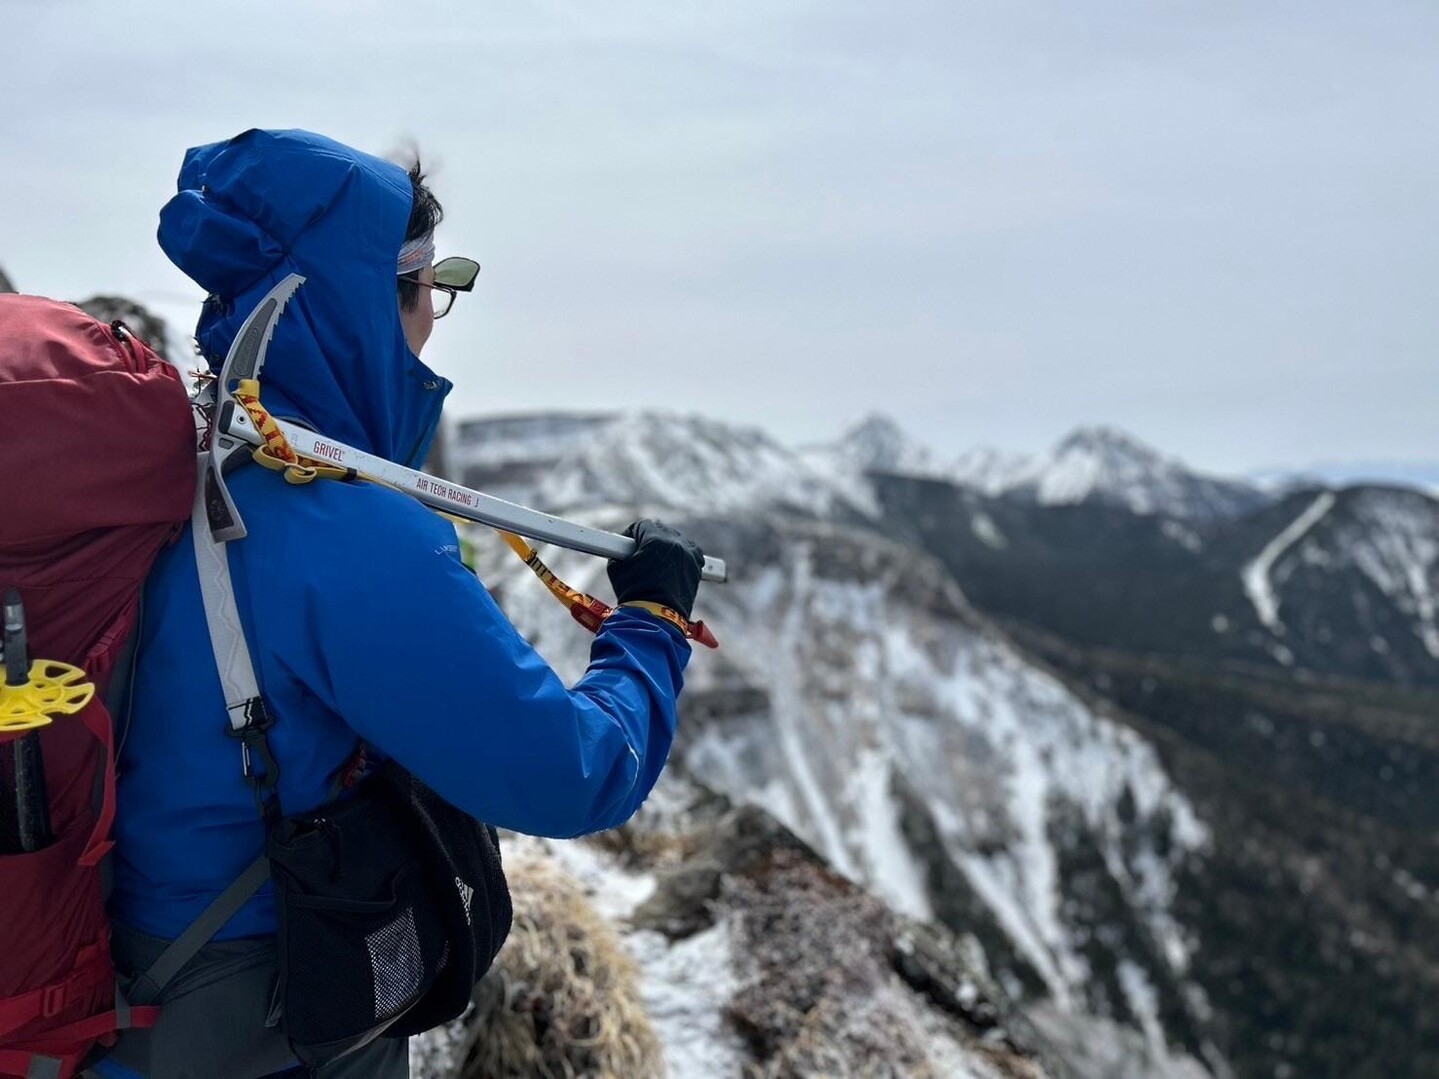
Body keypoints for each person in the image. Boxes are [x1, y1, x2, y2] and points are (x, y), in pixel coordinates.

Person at [92, 129, 704, 1078]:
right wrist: (651, 628)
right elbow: (570, 773)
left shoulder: (180, 450)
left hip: (117, 978)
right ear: (359, 300)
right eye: (431, 286)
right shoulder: (344, 529)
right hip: (253, 1014)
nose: (435, 316)